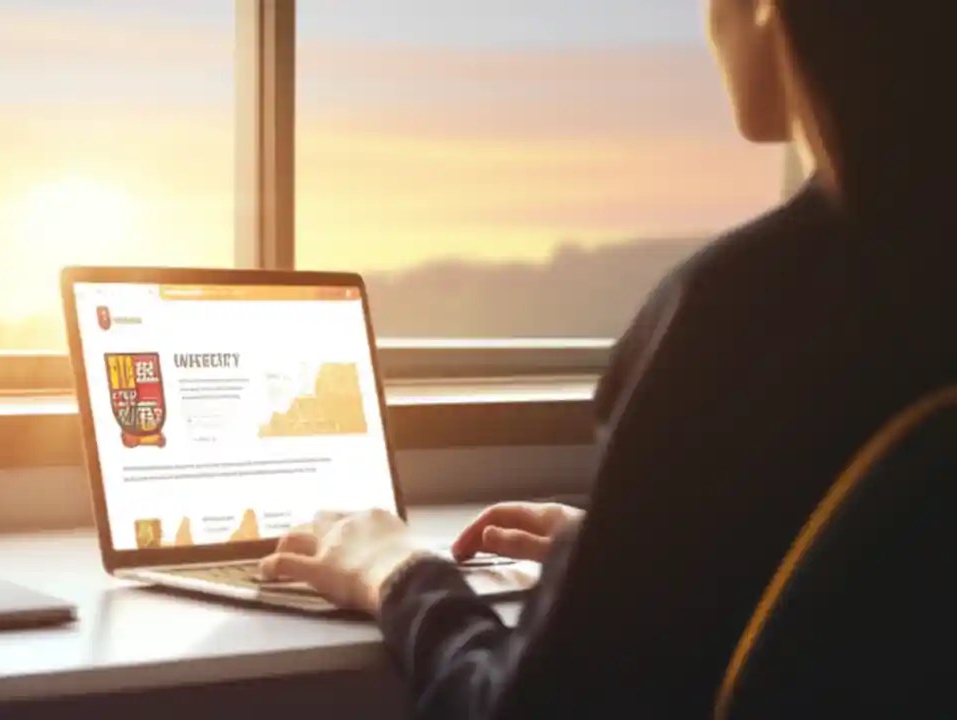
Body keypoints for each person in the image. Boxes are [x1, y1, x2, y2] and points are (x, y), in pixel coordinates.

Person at [260, 0, 955, 716]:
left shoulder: (743, 315)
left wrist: (399, 573)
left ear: (763, 12)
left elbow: (522, 709)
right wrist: (633, 553)